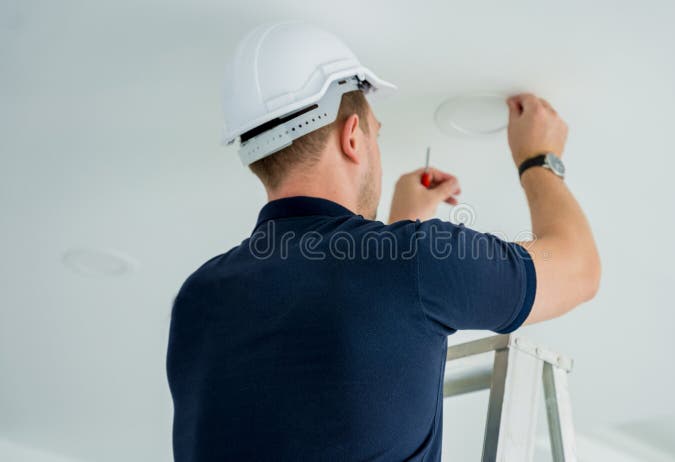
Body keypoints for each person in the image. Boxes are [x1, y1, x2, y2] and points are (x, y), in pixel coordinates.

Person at [167, 22, 600, 462]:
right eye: (376, 133)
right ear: (352, 137)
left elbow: (359, 340)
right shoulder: (412, 261)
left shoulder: (197, 301)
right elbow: (578, 269)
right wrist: (538, 159)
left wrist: (402, 228)